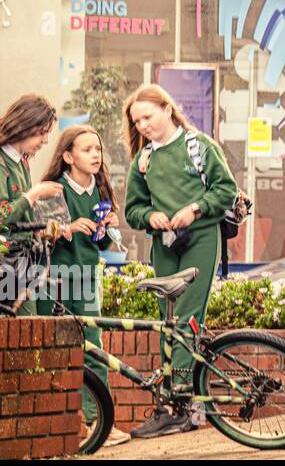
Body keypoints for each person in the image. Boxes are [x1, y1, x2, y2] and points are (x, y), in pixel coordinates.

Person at [123, 83, 237, 438]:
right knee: (166, 320)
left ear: (167, 109)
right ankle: (174, 402)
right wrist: (150, 217)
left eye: (147, 116)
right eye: (136, 120)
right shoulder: (143, 160)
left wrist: (195, 208)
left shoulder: (199, 146)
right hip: (164, 244)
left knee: (187, 316)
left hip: (200, 237)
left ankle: (182, 402)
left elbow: (226, 190)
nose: (142, 125)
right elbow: (132, 209)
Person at [36, 125, 130, 446]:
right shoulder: (54, 189)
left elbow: (100, 245)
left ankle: (98, 421)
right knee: (56, 348)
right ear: (67, 156)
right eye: (87, 149)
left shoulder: (100, 187)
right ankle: (55, 422)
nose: (95, 155)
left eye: (98, 150)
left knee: (94, 347)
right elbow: (40, 234)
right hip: (55, 281)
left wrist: (106, 228)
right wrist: (68, 227)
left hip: (88, 278)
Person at [0, 94, 64, 315]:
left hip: (23, 263)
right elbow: (2, 216)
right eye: (42, 132)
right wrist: (34, 194)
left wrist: (43, 228)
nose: (45, 140)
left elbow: (23, 214)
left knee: (27, 327)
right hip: (6, 264)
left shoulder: (22, 163)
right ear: (25, 124)